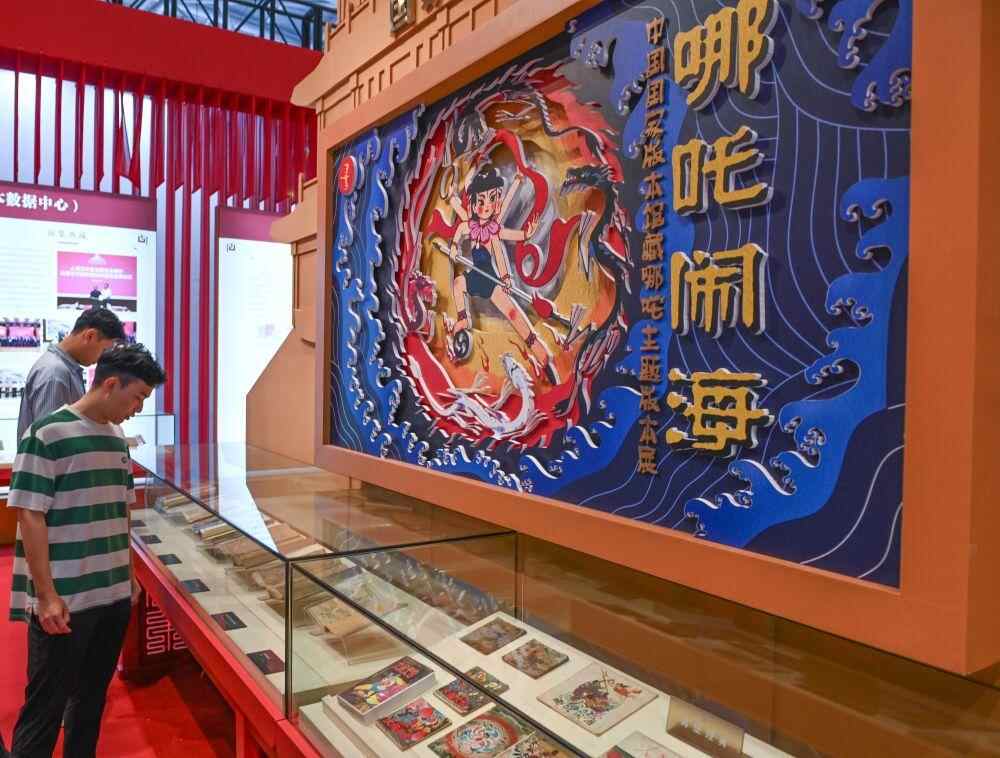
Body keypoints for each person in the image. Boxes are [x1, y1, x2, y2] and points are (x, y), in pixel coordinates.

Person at [4, 344, 166, 758]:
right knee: (45, 707)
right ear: (110, 384)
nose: (137, 408)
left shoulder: (115, 439)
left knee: (91, 699)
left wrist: (128, 574)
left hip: (111, 596)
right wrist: (46, 595)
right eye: (137, 397)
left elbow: (121, 511)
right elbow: (30, 516)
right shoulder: (46, 435)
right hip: (65, 601)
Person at [448, 165, 559, 384]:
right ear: (474, 204)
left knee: (515, 315)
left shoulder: (493, 231)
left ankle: (542, 356)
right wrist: (453, 247)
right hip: (474, 277)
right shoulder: (470, 226)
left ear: (496, 202)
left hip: (491, 282)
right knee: (459, 283)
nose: (486, 206)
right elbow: (459, 230)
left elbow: (501, 252)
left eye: (491, 200)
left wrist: (507, 277)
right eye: (481, 201)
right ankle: (463, 318)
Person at [15, 308, 125, 444]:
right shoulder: (55, 373)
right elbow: (51, 440)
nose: (101, 359)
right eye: (103, 350)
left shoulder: (64, 369)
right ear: (90, 336)